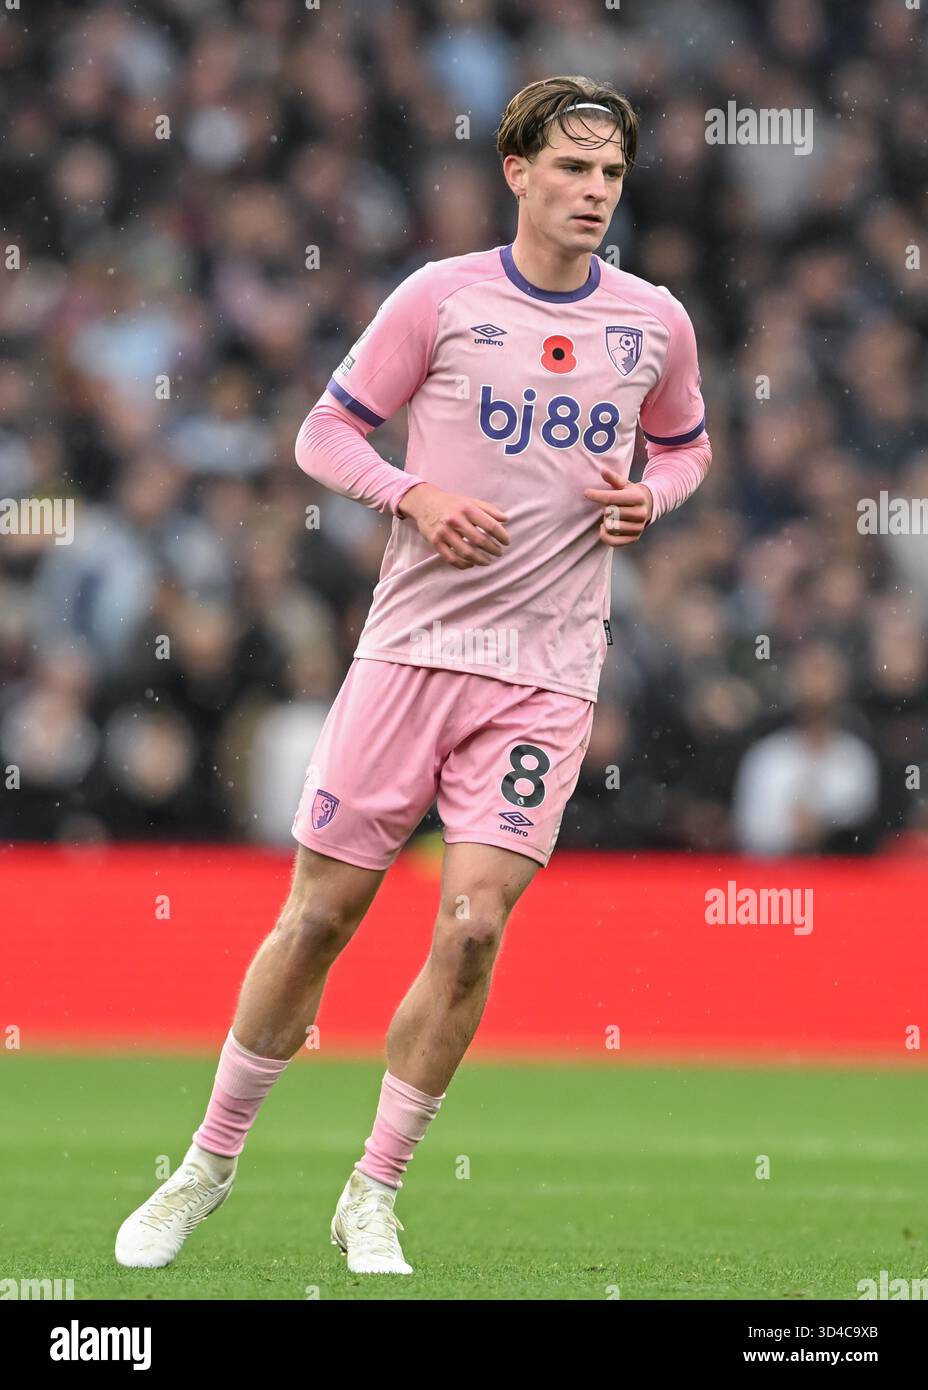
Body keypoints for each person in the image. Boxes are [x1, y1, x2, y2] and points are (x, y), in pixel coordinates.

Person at [115, 74, 712, 1276]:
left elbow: (687, 443)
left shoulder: (654, 320)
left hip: (546, 668)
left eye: (610, 175)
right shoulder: (440, 297)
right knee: (322, 916)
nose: (594, 192)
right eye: (571, 170)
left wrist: (655, 494)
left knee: (475, 925)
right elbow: (322, 433)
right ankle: (207, 1165)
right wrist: (413, 493)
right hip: (409, 652)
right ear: (518, 172)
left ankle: (373, 1188)